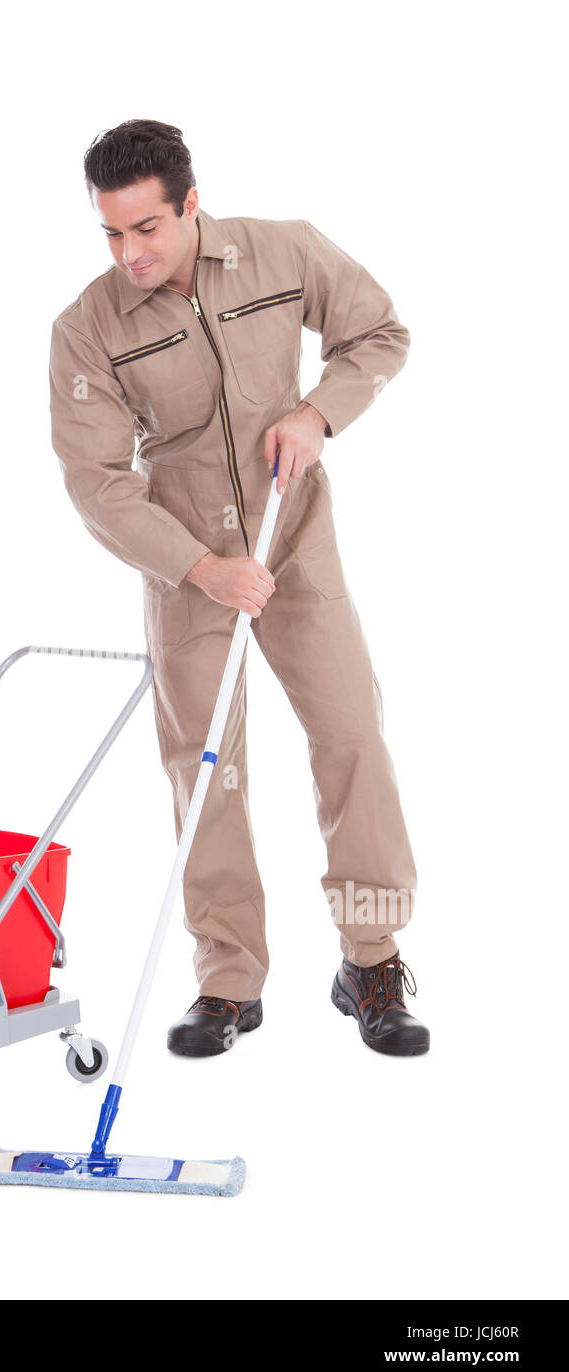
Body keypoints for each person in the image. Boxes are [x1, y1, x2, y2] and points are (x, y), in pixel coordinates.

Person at [49, 118, 428, 1059]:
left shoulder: (281, 250)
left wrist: (316, 412)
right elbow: (96, 482)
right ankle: (227, 979)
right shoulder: (87, 327)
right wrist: (199, 567)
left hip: (291, 532)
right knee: (204, 763)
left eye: (147, 228)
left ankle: (371, 960)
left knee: (351, 735)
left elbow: (379, 331)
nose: (129, 253)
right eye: (111, 232)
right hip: (183, 556)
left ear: (190, 203)